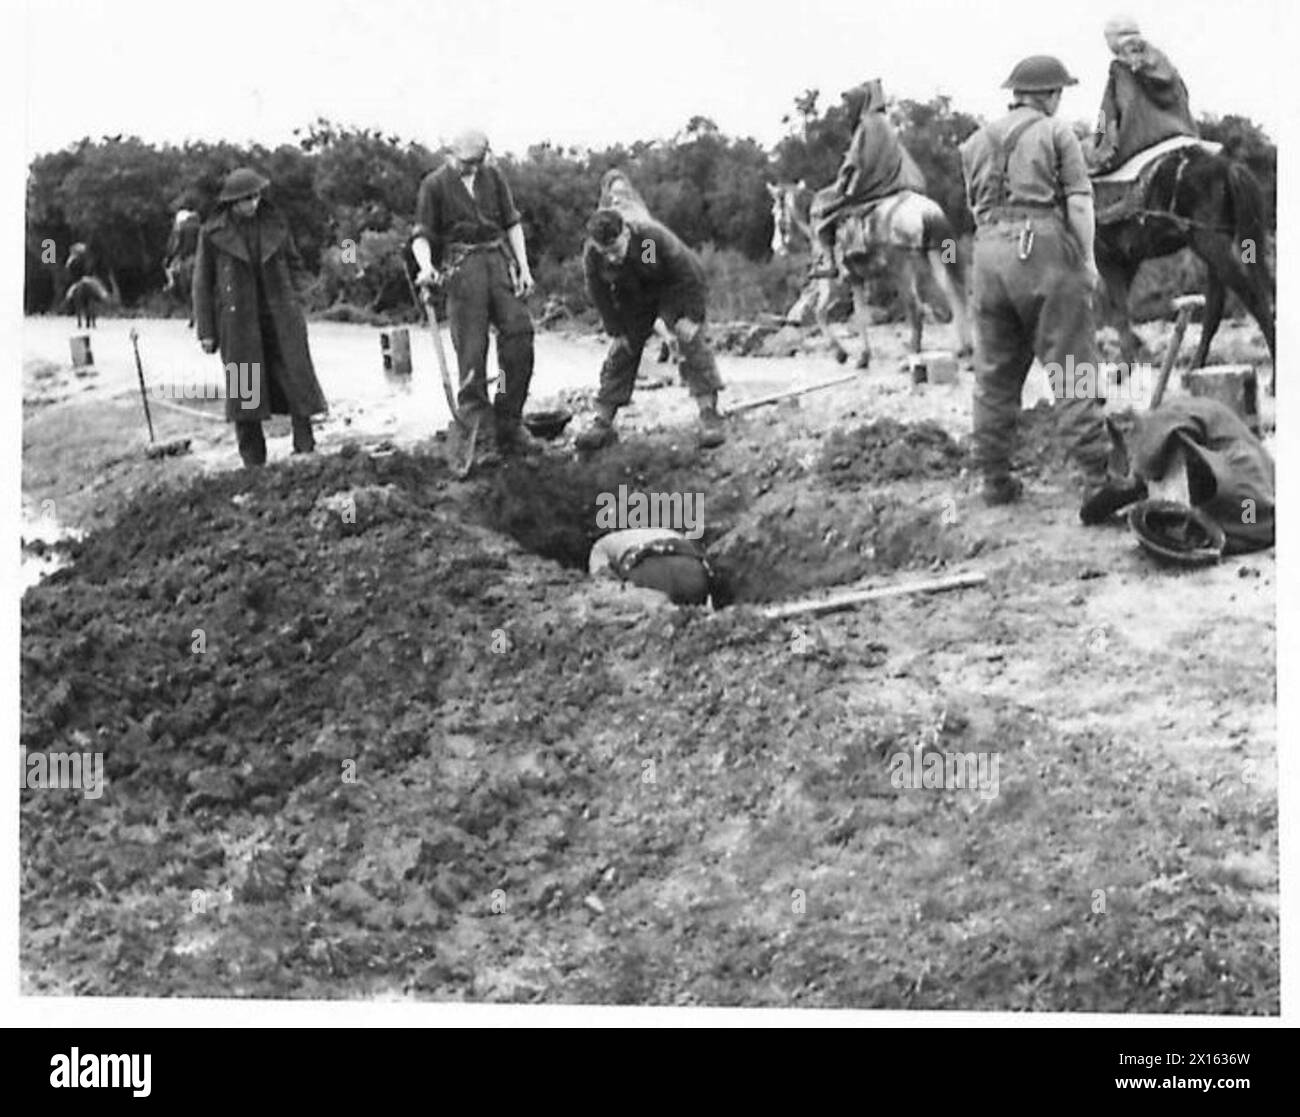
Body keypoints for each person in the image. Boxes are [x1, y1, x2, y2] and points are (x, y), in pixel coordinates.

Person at [959, 56, 1129, 512]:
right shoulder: (1058, 134)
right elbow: (1078, 204)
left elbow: (975, 209)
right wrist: (1088, 262)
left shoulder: (973, 142)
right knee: (1072, 363)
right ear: (1051, 94)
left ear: (1015, 93)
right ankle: (1097, 478)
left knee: (994, 374)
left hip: (987, 255)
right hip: (1041, 251)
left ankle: (993, 479)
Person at [410, 129, 536, 463]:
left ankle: (509, 418)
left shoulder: (493, 176)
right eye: (465, 162)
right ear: (450, 154)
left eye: (477, 161)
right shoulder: (434, 185)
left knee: (519, 334)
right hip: (462, 269)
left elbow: (512, 224)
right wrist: (426, 266)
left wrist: (523, 267)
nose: (471, 167)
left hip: (498, 261)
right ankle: (478, 428)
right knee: (471, 350)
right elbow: (421, 235)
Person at [193, 168, 328, 467]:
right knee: (245, 387)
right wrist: (206, 330)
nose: (253, 204)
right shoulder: (212, 233)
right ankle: (253, 461)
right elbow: (202, 283)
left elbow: (294, 264)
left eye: (256, 196)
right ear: (232, 202)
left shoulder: (276, 223)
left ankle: (305, 447)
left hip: (279, 314)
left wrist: (308, 293)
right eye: (245, 199)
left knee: (296, 379)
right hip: (238, 321)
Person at [576, 206, 726, 451]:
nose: (611, 258)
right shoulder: (594, 254)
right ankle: (603, 420)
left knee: (690, 341)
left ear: (625, 233)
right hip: (634, 296)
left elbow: (688, 272)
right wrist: (616, 329)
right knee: (622, 351)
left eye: (615, 250)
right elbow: (598, 293)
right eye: (606, 253)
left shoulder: (648, 240)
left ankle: (709, 413)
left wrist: (692, 316)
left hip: (671, 288)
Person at [810, 79, 927, 278]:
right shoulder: (886, 125)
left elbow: (854, 166)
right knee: (944, 239)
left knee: (824, 225)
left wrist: (843, 194)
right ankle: (950, 260)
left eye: (848, 107)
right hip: (904, 186)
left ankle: (831, 264)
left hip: (875, 190)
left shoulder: (865, 126)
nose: (846, 113)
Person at [1090, 16, 1198, 174]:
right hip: (1185, 134)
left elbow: (1105, 114)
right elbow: (1184, 95)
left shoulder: (1119, 70)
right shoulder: (1165, 64)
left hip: (1139, 144)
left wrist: (1099, 144)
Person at [589, 528, 712, 605]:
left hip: (646, 566)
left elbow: (602, 580)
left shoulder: (600, 545)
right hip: (691, 565)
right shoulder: (662, 531)